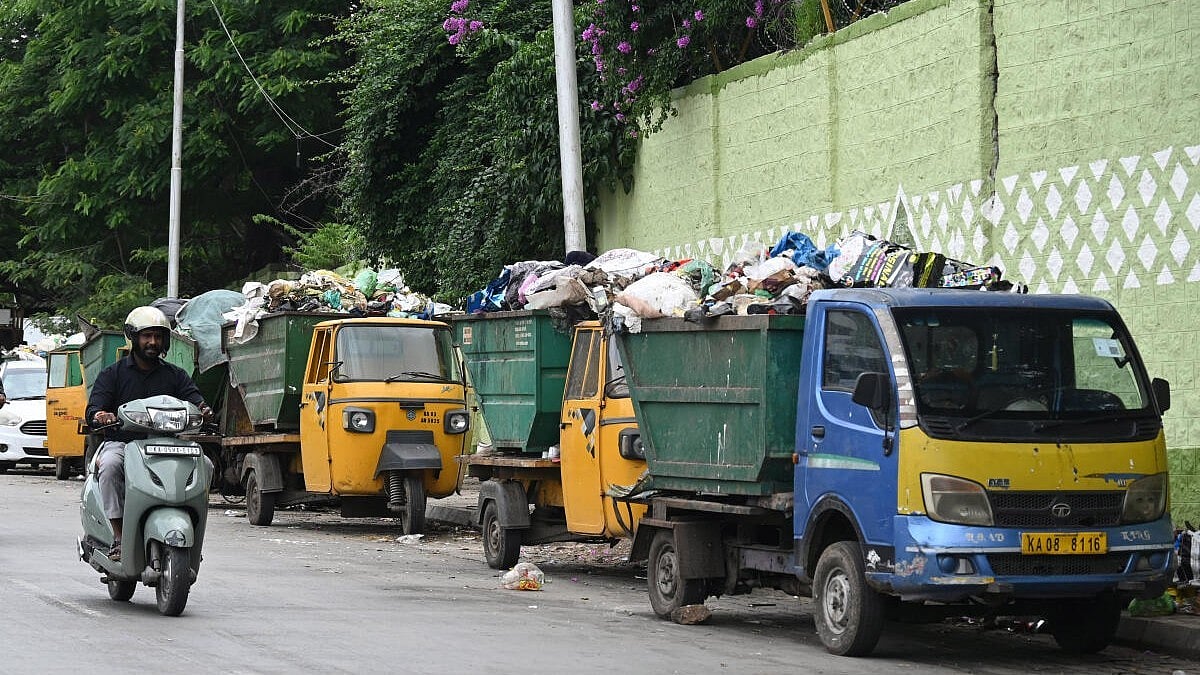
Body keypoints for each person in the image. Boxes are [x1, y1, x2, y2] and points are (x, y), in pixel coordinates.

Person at [85, 306, 211, 561]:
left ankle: (192, 536)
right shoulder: (113, 374)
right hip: (123, 444)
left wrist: (204, 409)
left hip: (166, 445)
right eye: (146, 336)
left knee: (205, 466)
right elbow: (95, 407)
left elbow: (195, 399)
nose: (153, 342)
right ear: (133, 337)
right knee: (109, 466)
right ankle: (119, 536)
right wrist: (100, 415)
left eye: (158, 336)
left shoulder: (175, 375)